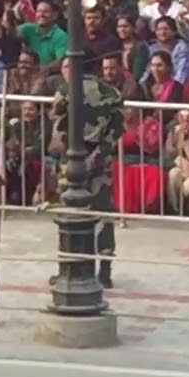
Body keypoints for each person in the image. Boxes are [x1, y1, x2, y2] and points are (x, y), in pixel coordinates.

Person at [50, 57, 124, 289]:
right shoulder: (111, 92)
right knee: (103, 214)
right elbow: (118, 128)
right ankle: (105, 269)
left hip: (73, 162)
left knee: (71, 216)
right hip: (101, 160)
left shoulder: (65, 91)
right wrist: (98, 154)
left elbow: (59, 129)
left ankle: (72, 266)